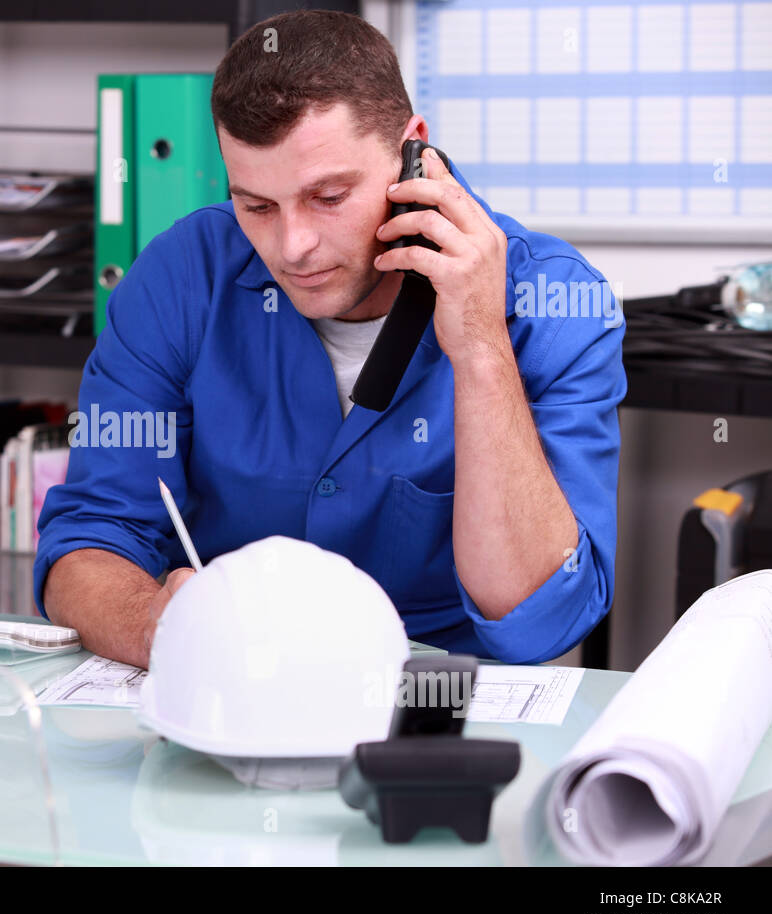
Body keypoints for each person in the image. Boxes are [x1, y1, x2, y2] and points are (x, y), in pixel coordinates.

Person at [33, 9, 626, 669]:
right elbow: (88, 543)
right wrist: (160, 629)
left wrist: (482, 348)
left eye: (329, 196)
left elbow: (540, 622)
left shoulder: (552, 303)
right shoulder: (180, 277)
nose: (293, 248)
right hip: (229, 691)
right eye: (257, 205)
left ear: (415, 153)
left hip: (433, 708)